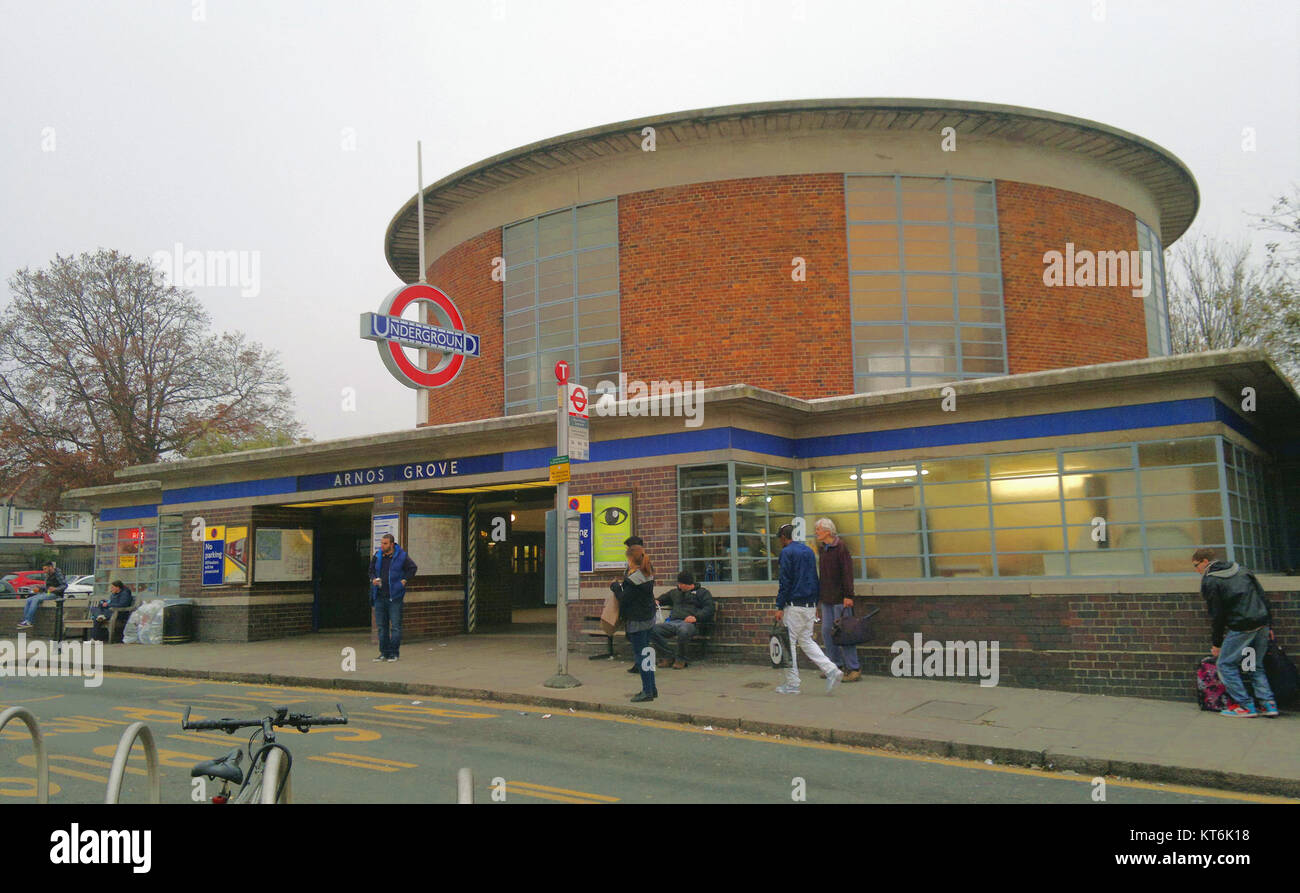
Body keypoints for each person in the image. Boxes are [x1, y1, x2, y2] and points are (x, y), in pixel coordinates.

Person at [1195, 548, 1278, 718]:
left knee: (1225, 665)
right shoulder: (1242, 569)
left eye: (1196, 565)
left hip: (1242, 628)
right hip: (1261, 624)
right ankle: (1268, 704)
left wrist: (1216, 643)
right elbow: (1262, 597)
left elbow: (1217, 615)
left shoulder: (1211, 581)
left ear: (1204, 561)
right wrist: (1269, 625)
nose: (1196, 570)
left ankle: (1246, 705)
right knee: (1253, 665)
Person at [774, 524, 841, 694]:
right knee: (806, 640)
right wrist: (815, 603)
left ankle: (792, 684)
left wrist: (779, 606)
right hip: (810, 605)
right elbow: (815, 578)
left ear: (784, 537)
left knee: (789, 645)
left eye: (780, 538)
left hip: (794, 606)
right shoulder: (809, 551)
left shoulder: (786, 553)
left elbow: (785, 582)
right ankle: (831, 669)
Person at [613, 535, 658, 702]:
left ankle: (647, 691)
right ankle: (652, 688)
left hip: (637, 620)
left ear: (632, 560)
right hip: (648, 618)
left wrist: (616, 588)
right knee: (648, 653)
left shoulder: (633, 580)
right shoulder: (648, 574)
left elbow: (624, 599)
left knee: (641, 656)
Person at [815, 518, 861, 682]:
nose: (817, 532)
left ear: (828, 531)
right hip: (827, 598)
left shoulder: (840, 548)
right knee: (827, 632)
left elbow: (847, 572)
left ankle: (853, 668)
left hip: (840, 599)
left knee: (845, 633)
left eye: (819, 529)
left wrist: (848, 595)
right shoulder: (824, 549)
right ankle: (834, 665)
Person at [650, 571, 715, 669]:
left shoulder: (702, 593)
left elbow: (709, 608)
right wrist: (657, 601)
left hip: (689, 624)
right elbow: (663, 598)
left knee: (683, 630)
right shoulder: (675, 593)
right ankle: (667, 656)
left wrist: (696, 617)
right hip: (672, 623)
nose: (678, 585)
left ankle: (681, 659)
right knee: (652, 630)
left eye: (680, 584)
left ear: (687, 584)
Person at [369, 534, 417, 662]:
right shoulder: (378, 556)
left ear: (391, 544)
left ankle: (394, 653)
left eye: (385, 543)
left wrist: (404, 580)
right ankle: (384, 652)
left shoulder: (401, 556)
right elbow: (371, 570)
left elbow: (412, 568)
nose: (382, 546)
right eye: (381, 543)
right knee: (381, 626)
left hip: (394, 596)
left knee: (395, 626)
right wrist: (373, 579)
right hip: (379, 595)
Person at [16, 560, 67, 630]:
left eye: (45, 569)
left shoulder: (58, 574)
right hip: (48, 593)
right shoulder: (48, 575)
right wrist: (39, 586)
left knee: (36, 599)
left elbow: (64, 585)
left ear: (51, 567)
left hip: (56, 594)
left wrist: (55, 589)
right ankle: (26, 620)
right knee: (28, 600)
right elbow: (46, 586)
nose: (44, 571)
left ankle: (29, 621)